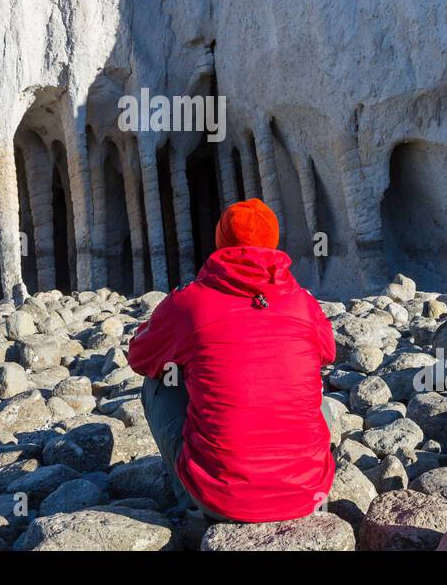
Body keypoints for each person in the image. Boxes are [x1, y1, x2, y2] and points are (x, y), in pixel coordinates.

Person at [127, 198, 337, 523]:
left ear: (220, 242)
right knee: (314, 391)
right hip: (308, 494)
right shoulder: (303, 303)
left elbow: (139, 357)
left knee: (157, 382)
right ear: (274, 241)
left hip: (221, 500)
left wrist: (181, 346)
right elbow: (328, 353)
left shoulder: (189, 303)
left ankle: (191, 502)